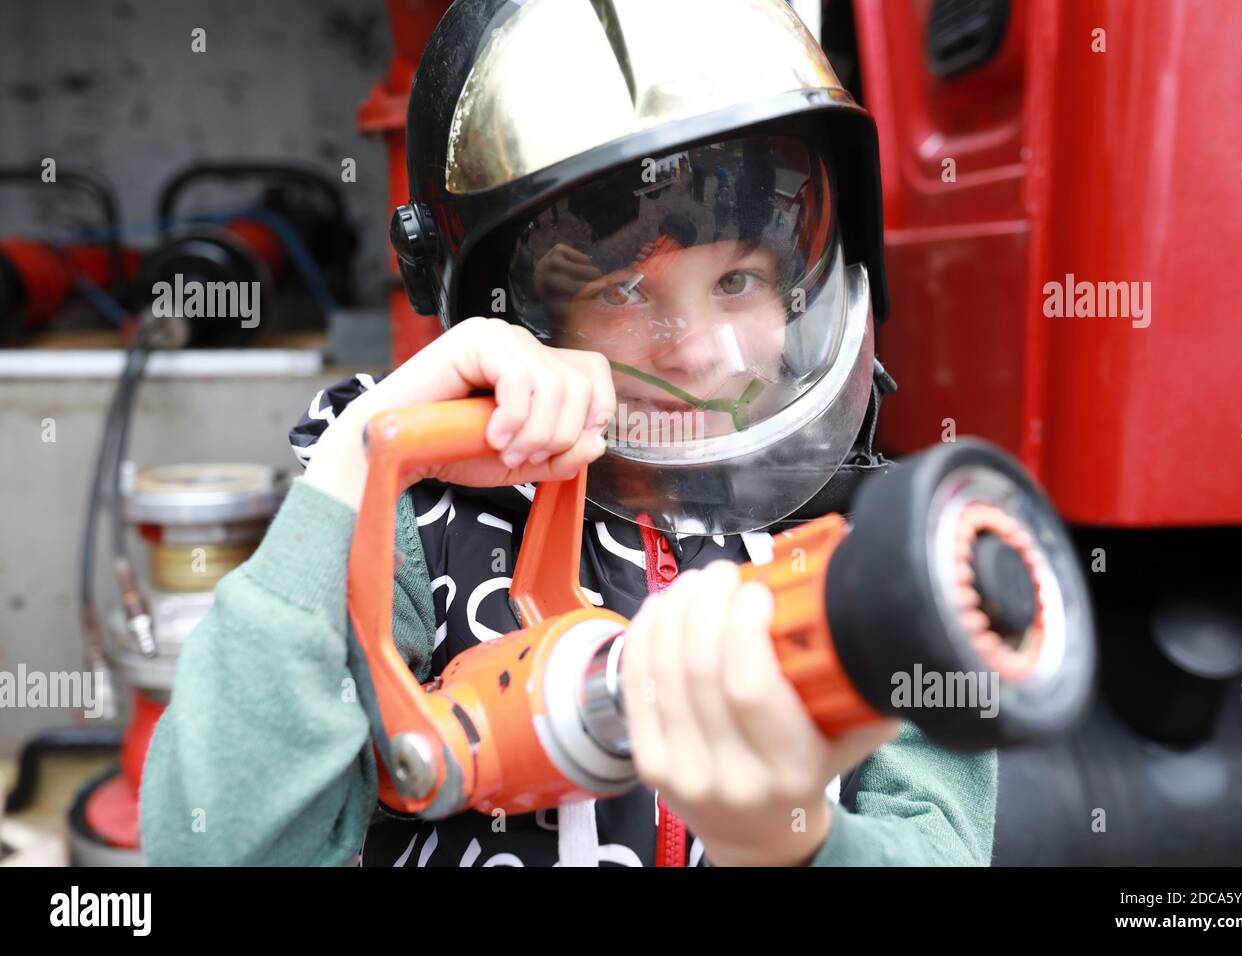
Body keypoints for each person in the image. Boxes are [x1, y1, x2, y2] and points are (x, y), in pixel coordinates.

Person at [140, 0, 996, 867]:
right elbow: (214, 844)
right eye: (624, 293)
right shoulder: (413, 527)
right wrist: (359, 458)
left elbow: (941, 846)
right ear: (523, 322)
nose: (702, 355)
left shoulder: (877, 552)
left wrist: (790, 839)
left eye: (739, 279)